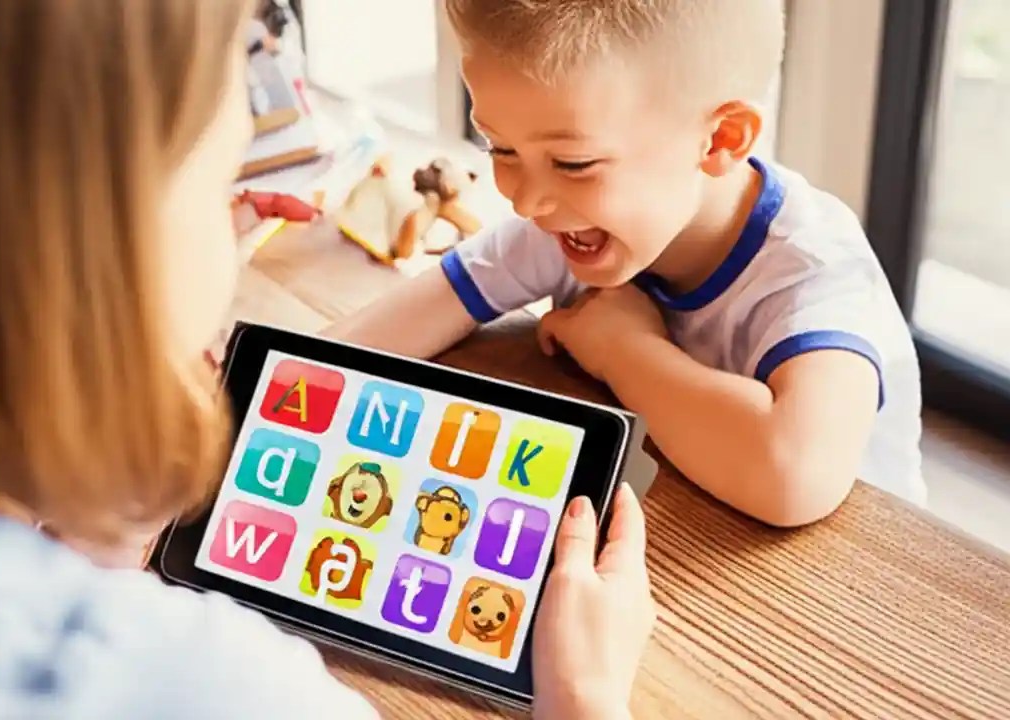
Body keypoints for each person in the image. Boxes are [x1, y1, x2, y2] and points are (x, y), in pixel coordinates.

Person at [0, 1, 654, 718]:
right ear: (91, 253)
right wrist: (587, 703)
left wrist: (85, 555)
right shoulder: (182, 685)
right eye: (223, 183)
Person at [327, 0, 924, 527]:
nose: (526, 199)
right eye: (501, 147)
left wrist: (622, 350)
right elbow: (384, 329)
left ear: (719, 141)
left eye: (574, 162)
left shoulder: (816, 272)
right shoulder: (569, 218)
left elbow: (794, 476)